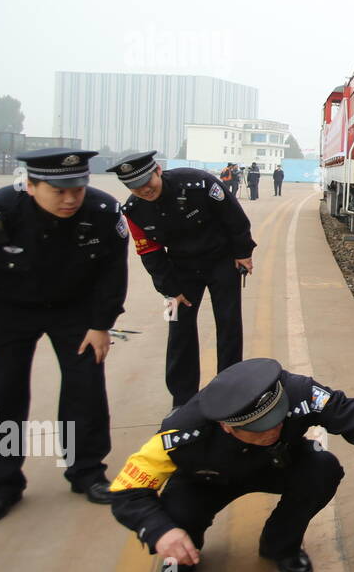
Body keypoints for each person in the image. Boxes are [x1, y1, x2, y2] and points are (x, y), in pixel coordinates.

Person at [109, 357, 354, 572]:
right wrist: (160, 531)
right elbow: (126, 491)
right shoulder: (182, 433)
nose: (272, 431)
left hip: (273, 465)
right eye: (259, 430)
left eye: (276, 421)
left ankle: (281, 546)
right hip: (206, 478)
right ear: (227, 428)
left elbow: (347, 413)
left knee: (322, 469)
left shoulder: (296, 391)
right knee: (177, 516)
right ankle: (183, 554)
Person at [0, 149, 127, 528]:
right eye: (58, 191)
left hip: (76, 311)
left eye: (78, 187)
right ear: (30, 185)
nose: (71, 198)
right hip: (9, 310)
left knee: (85, 388)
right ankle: (1, 486)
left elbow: (113, 271)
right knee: (2, 395)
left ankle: (87, 472)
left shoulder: (104, 212)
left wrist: (100, 324)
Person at [108, 151, 255, 407]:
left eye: (146, 181)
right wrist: (169, 289)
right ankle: (182, 398)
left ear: (158, 171)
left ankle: (231, 389)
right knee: (177, 328)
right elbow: (149, 253)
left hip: (222, 261)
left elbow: (234, 215)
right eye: (134, 186)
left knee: (229, 322)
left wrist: (243, 252)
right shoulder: (133, 210)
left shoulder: (199, 183)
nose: (143, 189)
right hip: (178, 269)